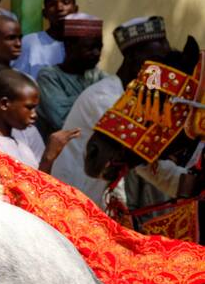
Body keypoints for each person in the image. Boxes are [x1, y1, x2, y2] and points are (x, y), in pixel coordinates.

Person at [50, 16, 183, 204]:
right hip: (79, 196)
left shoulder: (141, 97)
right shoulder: (104, 98)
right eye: (156, 62)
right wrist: (186, 183)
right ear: (133, 58)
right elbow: (140, 157)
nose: (162, 71)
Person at [0, 70, 80, 173]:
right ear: (4, 104)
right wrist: (48, 157)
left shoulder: (21, 144)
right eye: (29, 107)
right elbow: (24, 187)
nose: (34, 115)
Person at [36, 13, 110, 137]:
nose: (97, 53)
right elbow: (63, 121)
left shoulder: (100, 77)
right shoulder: (49, 77)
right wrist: (98, 102)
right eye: (90, 48)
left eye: (99, 47)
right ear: (69, 46)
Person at [15, 0, 77, 80]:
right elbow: (18, 80)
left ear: (76, 9)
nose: (59, 8)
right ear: (44, 13)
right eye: (52, 4)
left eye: (66, 2)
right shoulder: (29, 42)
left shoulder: (83, 43)